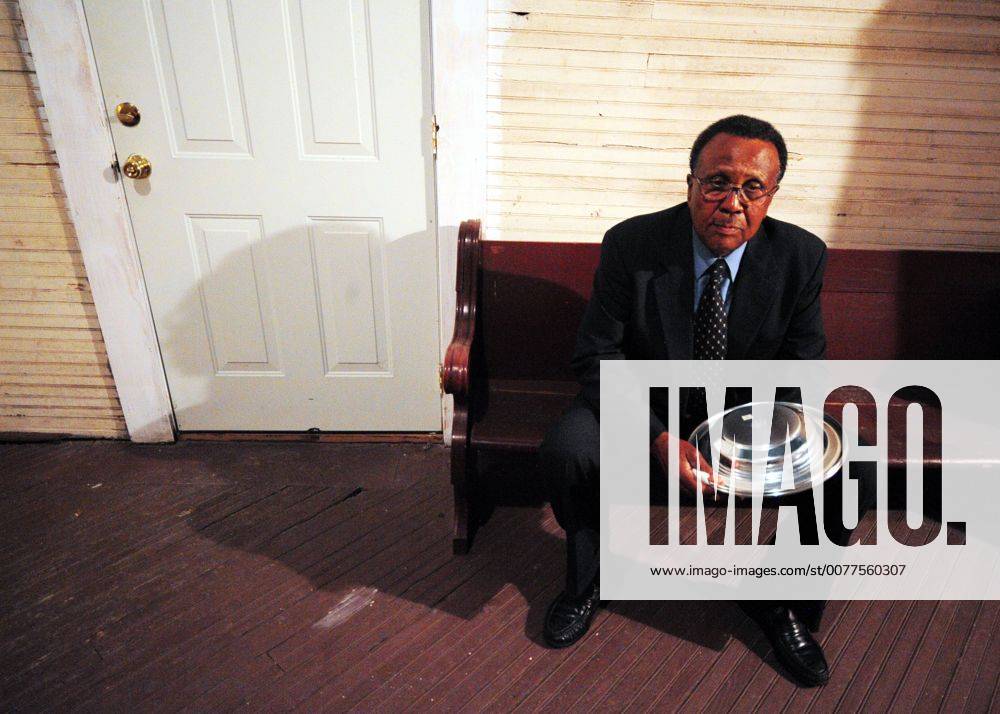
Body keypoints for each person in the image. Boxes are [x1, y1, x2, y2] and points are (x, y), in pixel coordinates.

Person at [538, 114, 866, 688]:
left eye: (753, 188)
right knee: (570, 448)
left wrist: (757, 438)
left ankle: (778, 599)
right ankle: (589, 576)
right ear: (690, 182)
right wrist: (656, 435)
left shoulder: (801, 256)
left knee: (850, 466)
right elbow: (597, 354)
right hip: (650, 409)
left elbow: (802, 367)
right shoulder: (632, 245)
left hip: (745, 418)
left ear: (772, 196)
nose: (732, 203)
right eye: (717, 182)